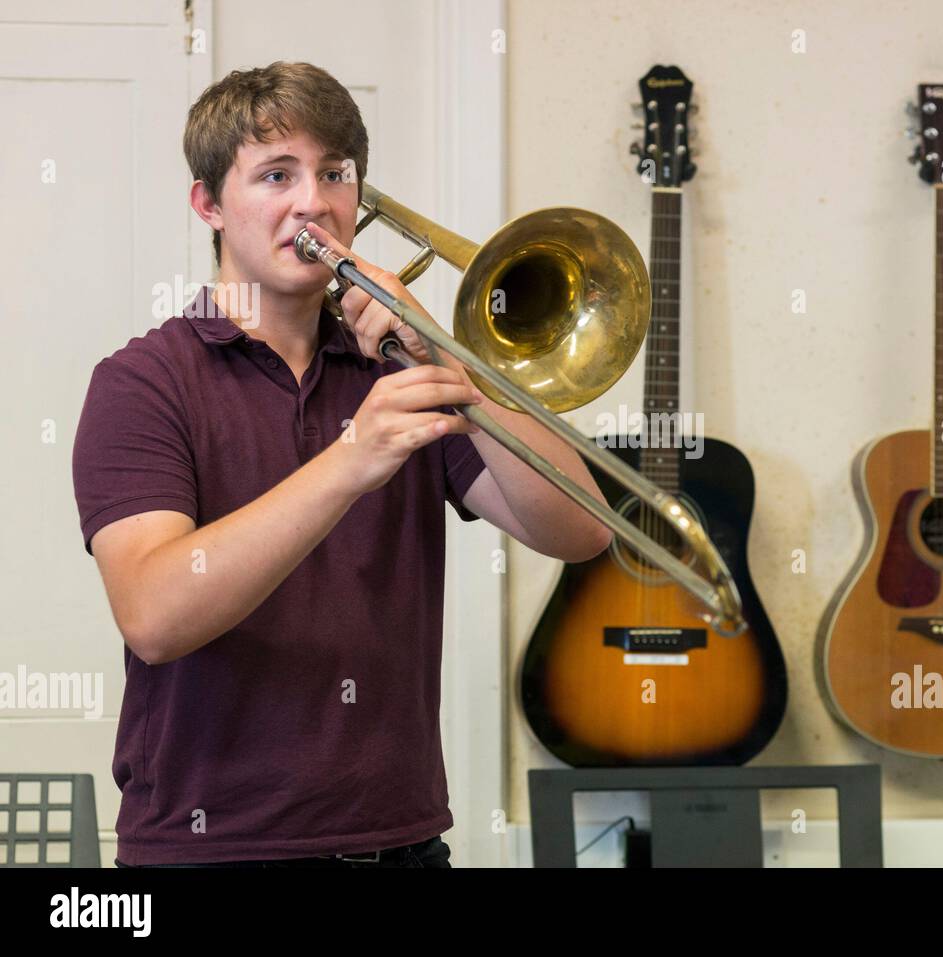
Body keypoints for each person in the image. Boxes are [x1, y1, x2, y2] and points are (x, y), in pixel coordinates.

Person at [71, 61, 612, 868]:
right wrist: (351, 457)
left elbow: (579, 531)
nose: (314, 203)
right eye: (276, 175)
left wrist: (459, 366)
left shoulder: (399, 368)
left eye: (336, 173)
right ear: (208, 204)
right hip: (210, 847)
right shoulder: (142, 382)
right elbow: (153, 615)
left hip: (400, 841)